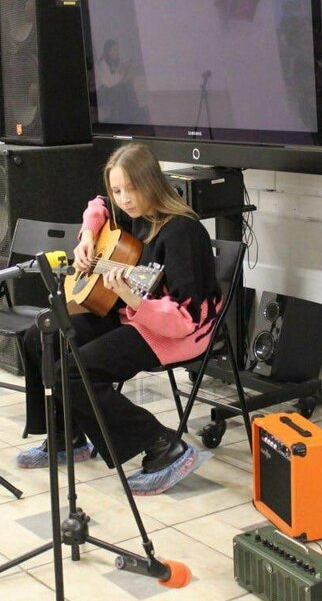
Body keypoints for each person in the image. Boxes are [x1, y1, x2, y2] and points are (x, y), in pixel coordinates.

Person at [16, 142, 221, 496]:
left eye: (131, 188)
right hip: (132, 314)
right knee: (41, 335)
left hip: (175, 332)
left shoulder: (182, 233)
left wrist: (132, 300)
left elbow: (185, 319)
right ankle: (69, 436)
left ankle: (163, 444)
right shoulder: (132, 215)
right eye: (117, 190)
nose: (124, 199)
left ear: (152, 183)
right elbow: (97, 205)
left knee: (76, 370)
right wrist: (87, 238)